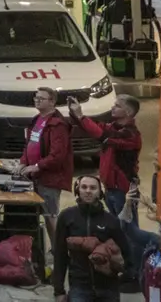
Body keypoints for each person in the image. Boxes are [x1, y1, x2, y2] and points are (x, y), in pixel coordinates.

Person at [52, 172, 130, 302]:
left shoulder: (111, 221)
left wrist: (120, 274)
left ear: (100, 193)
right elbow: (60, 255)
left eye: (93, 188)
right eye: (84, 187)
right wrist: (58, 290)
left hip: (108, 289)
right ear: (77, 190)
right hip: (79, 287)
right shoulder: (67, 217)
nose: (88, 191)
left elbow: (127, 253)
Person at [20, 89, 76, 224]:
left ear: (52, 102)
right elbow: (30, 145)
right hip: (36, 176)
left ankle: (57, 245)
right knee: (44, 215)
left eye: (41, 98)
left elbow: (58, 155)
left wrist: (37, 166)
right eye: (36, 98)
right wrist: (23, 162)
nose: (37, 100)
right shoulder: (36, 119)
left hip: (50, 178)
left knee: (50, 216)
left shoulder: (58, 124)